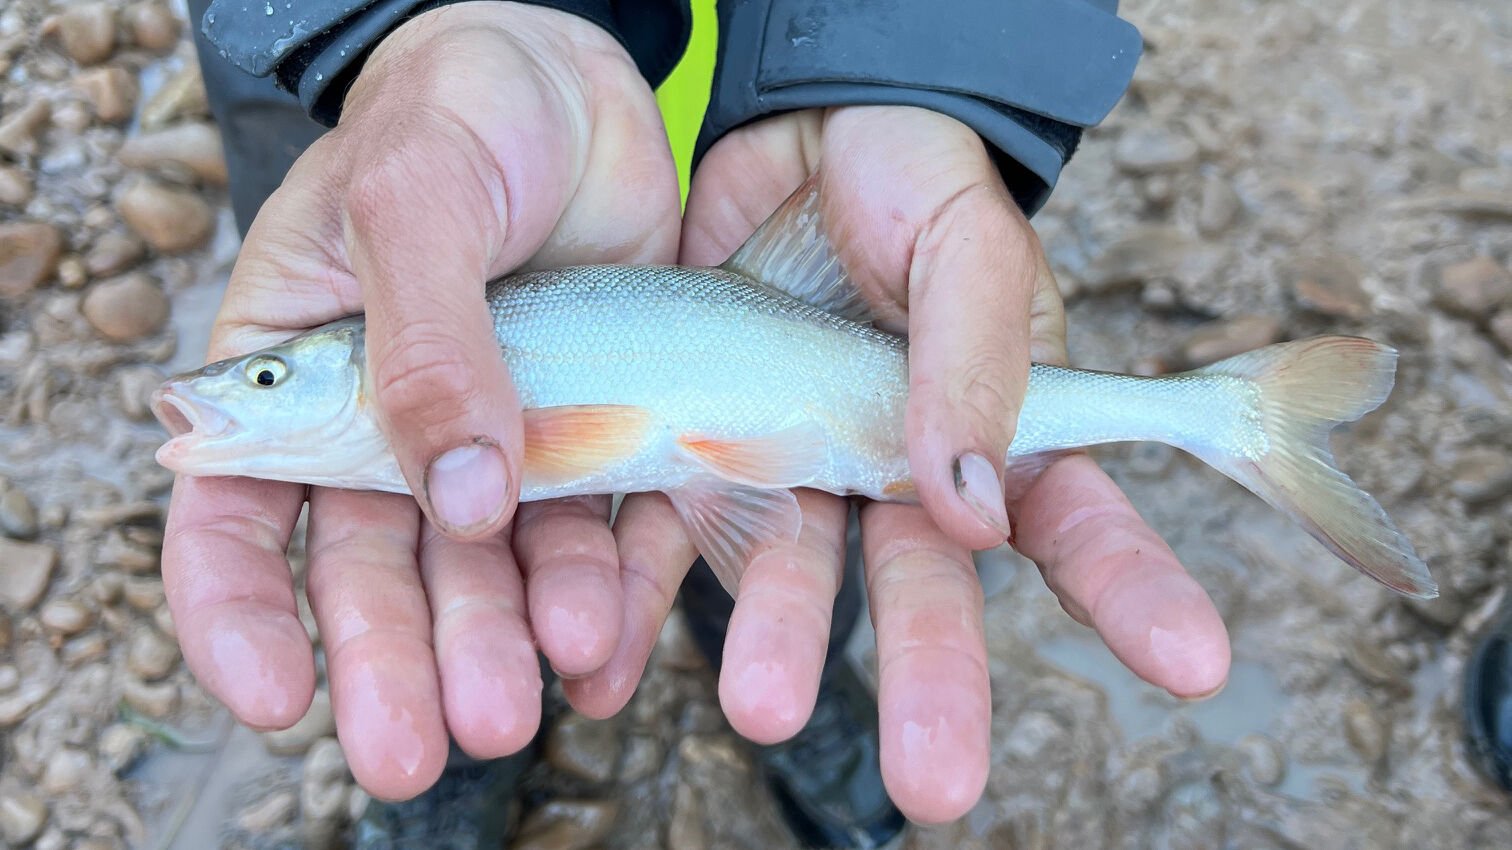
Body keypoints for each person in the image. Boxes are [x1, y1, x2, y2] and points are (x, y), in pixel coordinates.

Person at [168, 0, 1234, 846]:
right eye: (264, 378)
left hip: (790, 71)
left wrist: (900, 70)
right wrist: (415, 25)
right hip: (376, 102)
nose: (236, 389)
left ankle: (801, 688)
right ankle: (458, 754)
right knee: (457, 612)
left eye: (267, 380)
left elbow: (582, 443)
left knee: (771, 572)